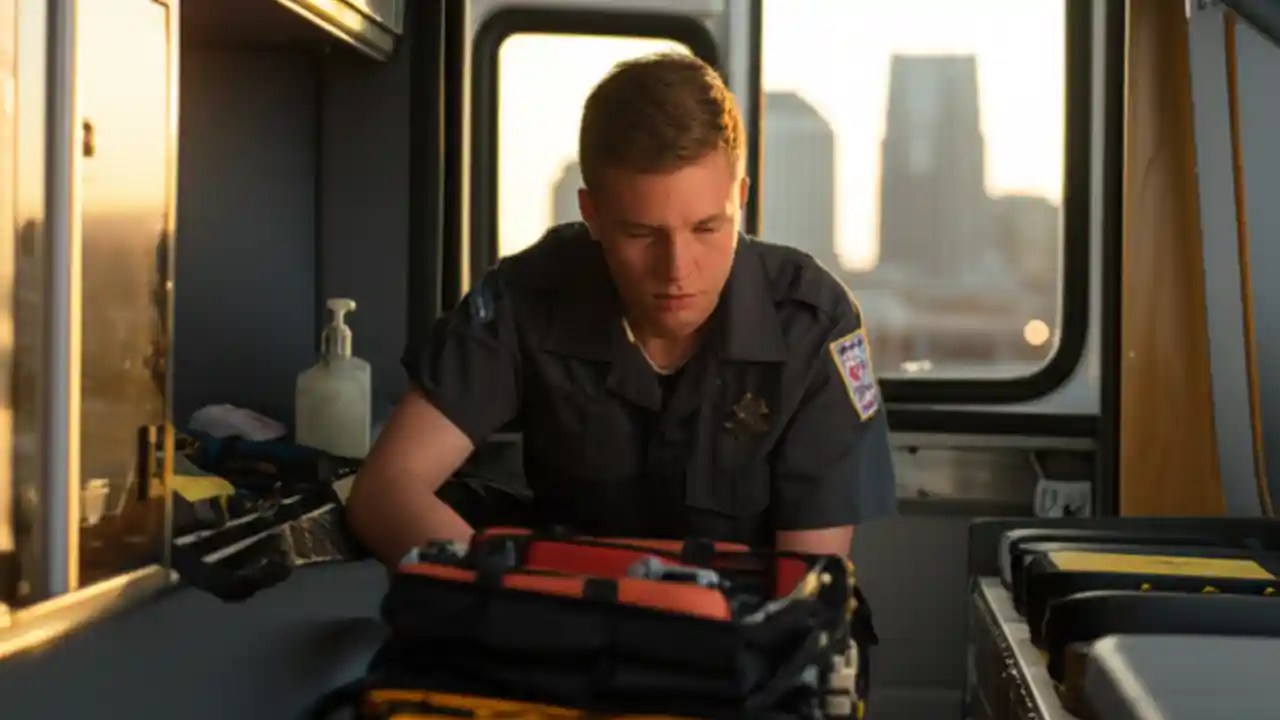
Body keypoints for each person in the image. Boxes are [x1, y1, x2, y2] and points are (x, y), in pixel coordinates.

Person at [346, 52, 897, 566]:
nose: (678, 268)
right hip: (560, 627)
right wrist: (514, 607)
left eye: (707, 227)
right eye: (641, 233)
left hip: (739, 645)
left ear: (741, 197)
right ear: (592, 214)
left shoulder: (812, 324)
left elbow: (804, 587)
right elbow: (385, 491)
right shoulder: (532, 294)